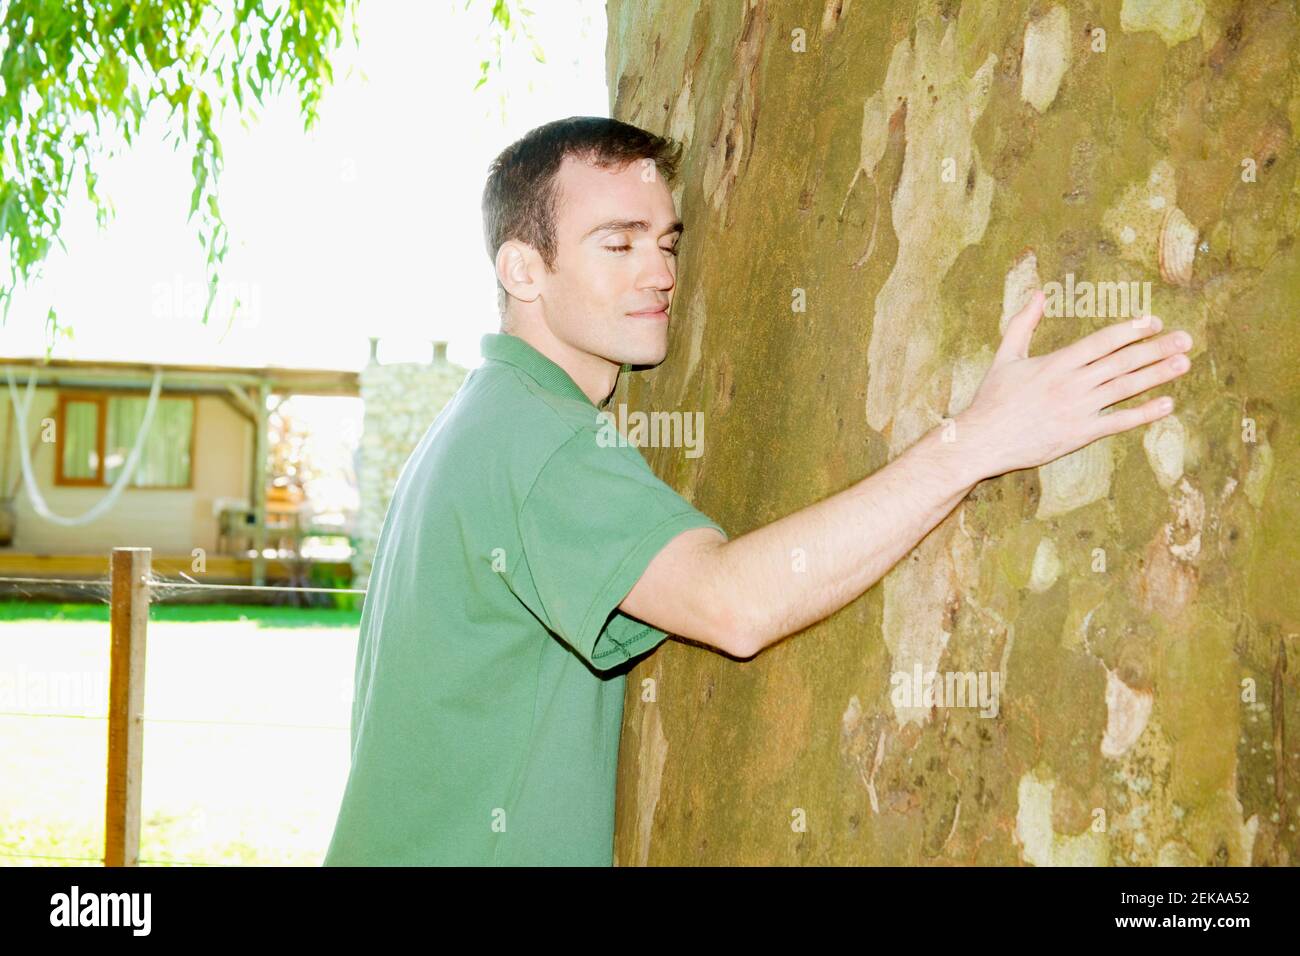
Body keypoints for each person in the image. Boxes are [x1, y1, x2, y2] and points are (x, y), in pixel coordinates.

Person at [323, 115, 1193, 866]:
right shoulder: (535, 439)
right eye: (617, 243)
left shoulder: (479, 423)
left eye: (666, 242)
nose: (660, 272)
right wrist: (977, 442)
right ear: (524, 269)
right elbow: (732, 605)